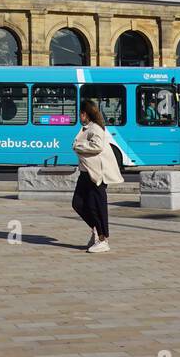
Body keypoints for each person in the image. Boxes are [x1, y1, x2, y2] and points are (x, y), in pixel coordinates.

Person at [72, 99, 123, 253]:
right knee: (78, 203)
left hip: (96, 174)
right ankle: (96, 231)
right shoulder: (87, 127)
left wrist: (78, 146)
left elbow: (97, 146)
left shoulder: (96, 128)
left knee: (96, 207)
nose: (79, 116)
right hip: (86, 172)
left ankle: (102, 239)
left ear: (86, 113)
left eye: (80, 113)